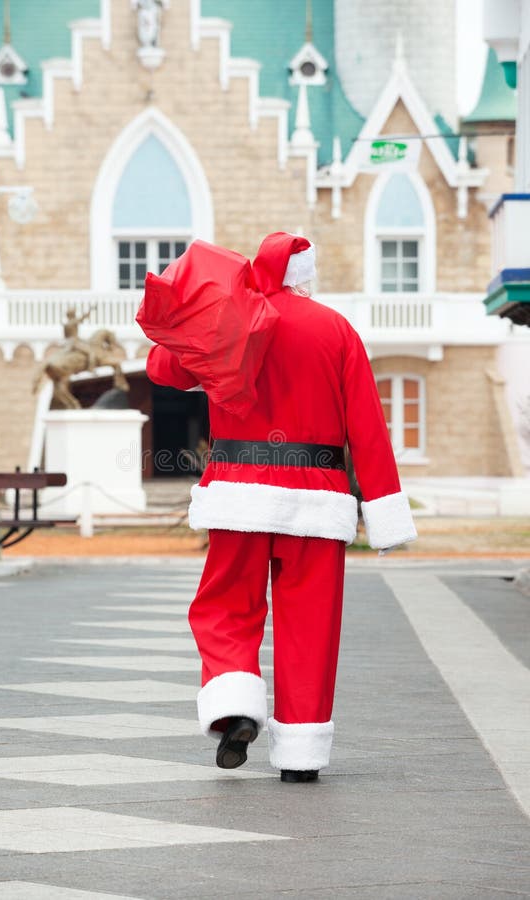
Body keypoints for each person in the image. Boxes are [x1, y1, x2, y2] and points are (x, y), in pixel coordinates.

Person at [146, 232, 417, 783]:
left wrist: (204, 311)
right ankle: (300, 755)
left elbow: (162, 368)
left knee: (225, 606)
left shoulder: (233, 320)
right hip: (318, 496)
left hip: (239, 491)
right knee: (311, 625)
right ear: (307, 277)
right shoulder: (336, 329)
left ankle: (235, 708)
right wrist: (384, 509)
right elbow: (367, 425)